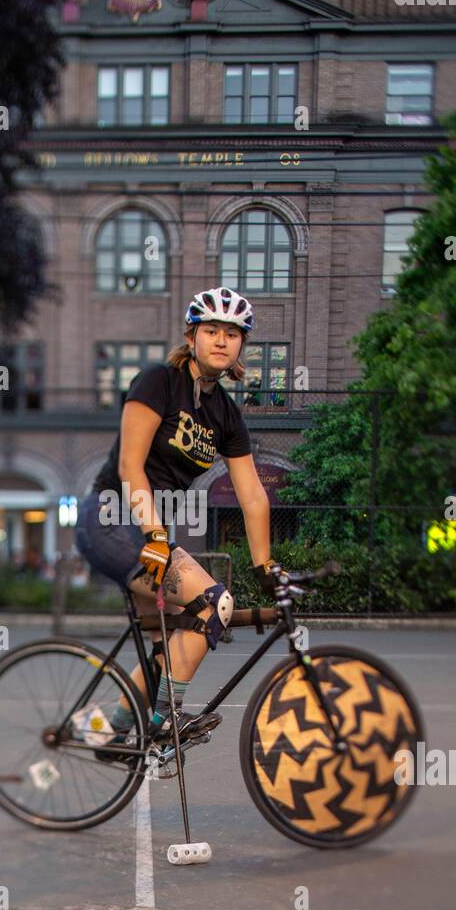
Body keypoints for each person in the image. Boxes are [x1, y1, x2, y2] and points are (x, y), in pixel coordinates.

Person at [74, 286, 280, 760]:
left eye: (233, 333)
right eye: (211, 331)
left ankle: (108, 728)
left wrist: (265, 566)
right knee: (215, 602)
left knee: (174, 648)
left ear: (241, 345)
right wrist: (155, 534)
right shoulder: (157, 382)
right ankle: (164, 721)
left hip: (149, 534)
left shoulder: (226, 414)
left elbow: (251, 494)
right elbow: (131, 467)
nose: (222, 341)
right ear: (192, 336)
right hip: (110, 520)